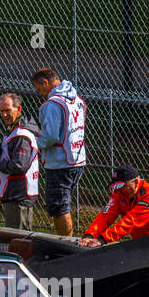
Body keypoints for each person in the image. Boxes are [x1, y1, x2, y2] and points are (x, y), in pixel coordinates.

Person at [31, 67, 88, 237]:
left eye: (39, 88)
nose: (39, 93)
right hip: (77, 160)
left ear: (46, 83)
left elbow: (50, 137)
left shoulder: (52, 104)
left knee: (60, 208)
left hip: (60, 163)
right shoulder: (76, 98)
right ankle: (63, 241)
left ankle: (66, 245)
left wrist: (34, 142)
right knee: (61, 206)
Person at [78, 165, 149, 248]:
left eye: (121, 186)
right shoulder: (119, 194)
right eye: (116, 187)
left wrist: (102, 239)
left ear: (135, 182)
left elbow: (131, 221)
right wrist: (90, 235)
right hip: (142, 245)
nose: (118, 190)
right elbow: (105, 216)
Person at [0, 93, 40, 231]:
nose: (4, 115)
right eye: (1, 111)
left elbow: (19, 166)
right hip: (14, 193)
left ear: (18, 109)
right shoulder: (14, 130)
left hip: (19, 195)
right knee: (16, 239)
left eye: (7, 110)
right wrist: (0, 153)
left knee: (19, 240)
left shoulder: (21, 134)